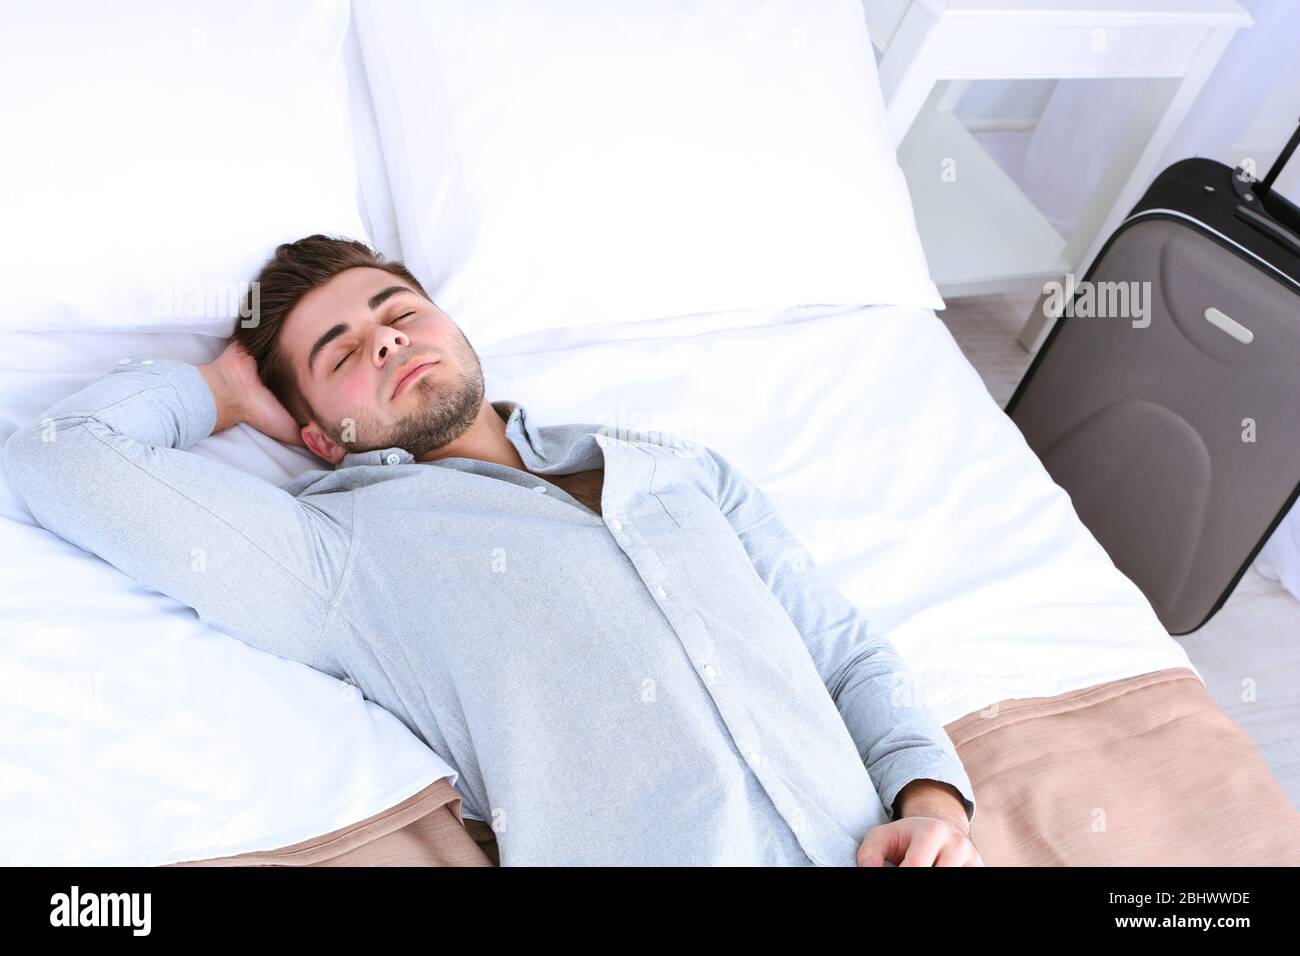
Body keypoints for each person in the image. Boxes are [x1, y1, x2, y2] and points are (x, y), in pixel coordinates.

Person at [4, 235, 983, 867]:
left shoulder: (677, 469)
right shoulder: (344, 550)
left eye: (398, 311)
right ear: (315, 436)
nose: (384, 341)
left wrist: (935, 804)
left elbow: (846, 652)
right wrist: (215, 389)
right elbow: (59, 460)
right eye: (339, 354)